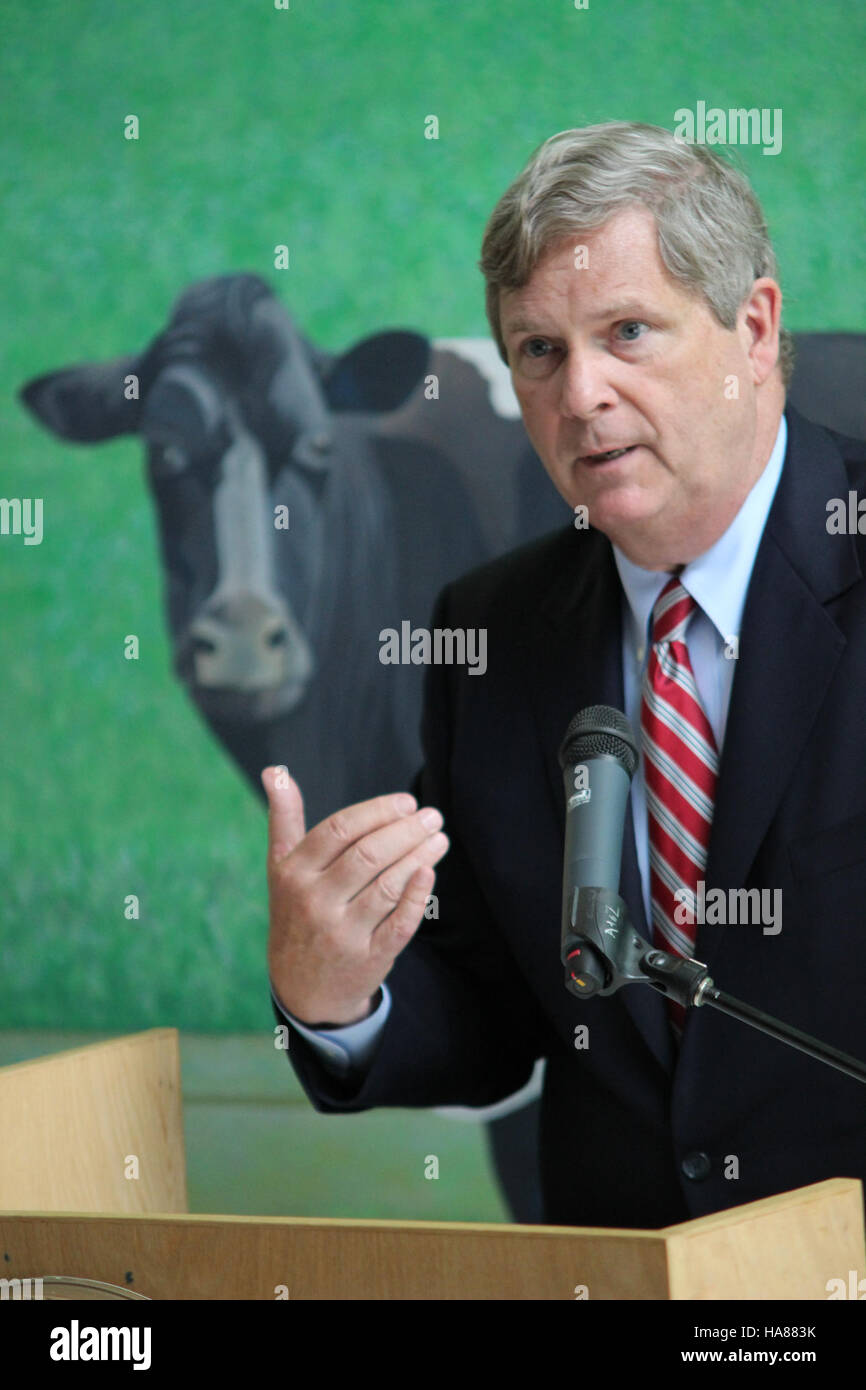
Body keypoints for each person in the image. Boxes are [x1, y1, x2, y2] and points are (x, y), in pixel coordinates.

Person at [262, 122, 866, 1229]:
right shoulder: (492, 628)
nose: (580, 391)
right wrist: (335, 992)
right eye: (537, 351)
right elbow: (490, 1008)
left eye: (625, 331)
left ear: (752, 327)